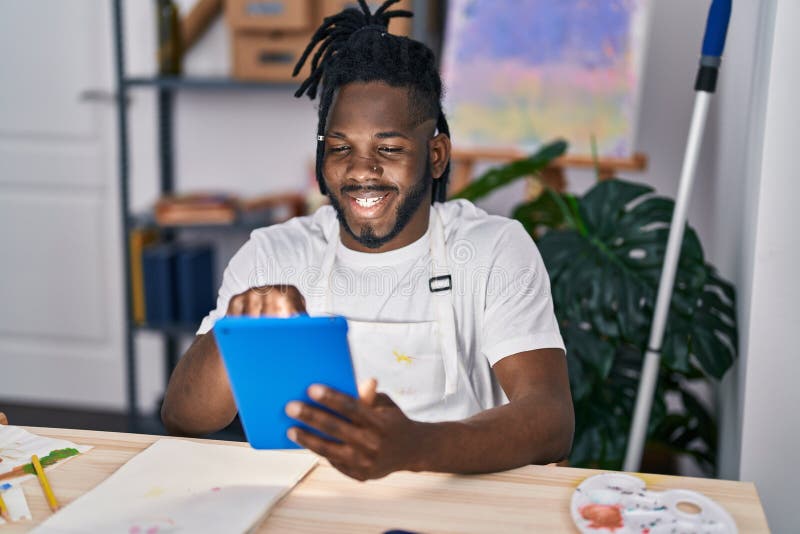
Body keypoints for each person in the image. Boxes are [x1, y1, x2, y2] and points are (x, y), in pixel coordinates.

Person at [161, 0, 574, 481]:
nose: (361, 170)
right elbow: (183, 416)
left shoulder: (492, 248)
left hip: (450, 500)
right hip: (305, 502)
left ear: (436, 155)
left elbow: (550, 421)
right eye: (340, 148)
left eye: (389, 149)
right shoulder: (274, 253)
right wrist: (232, 334)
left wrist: (413, 447)